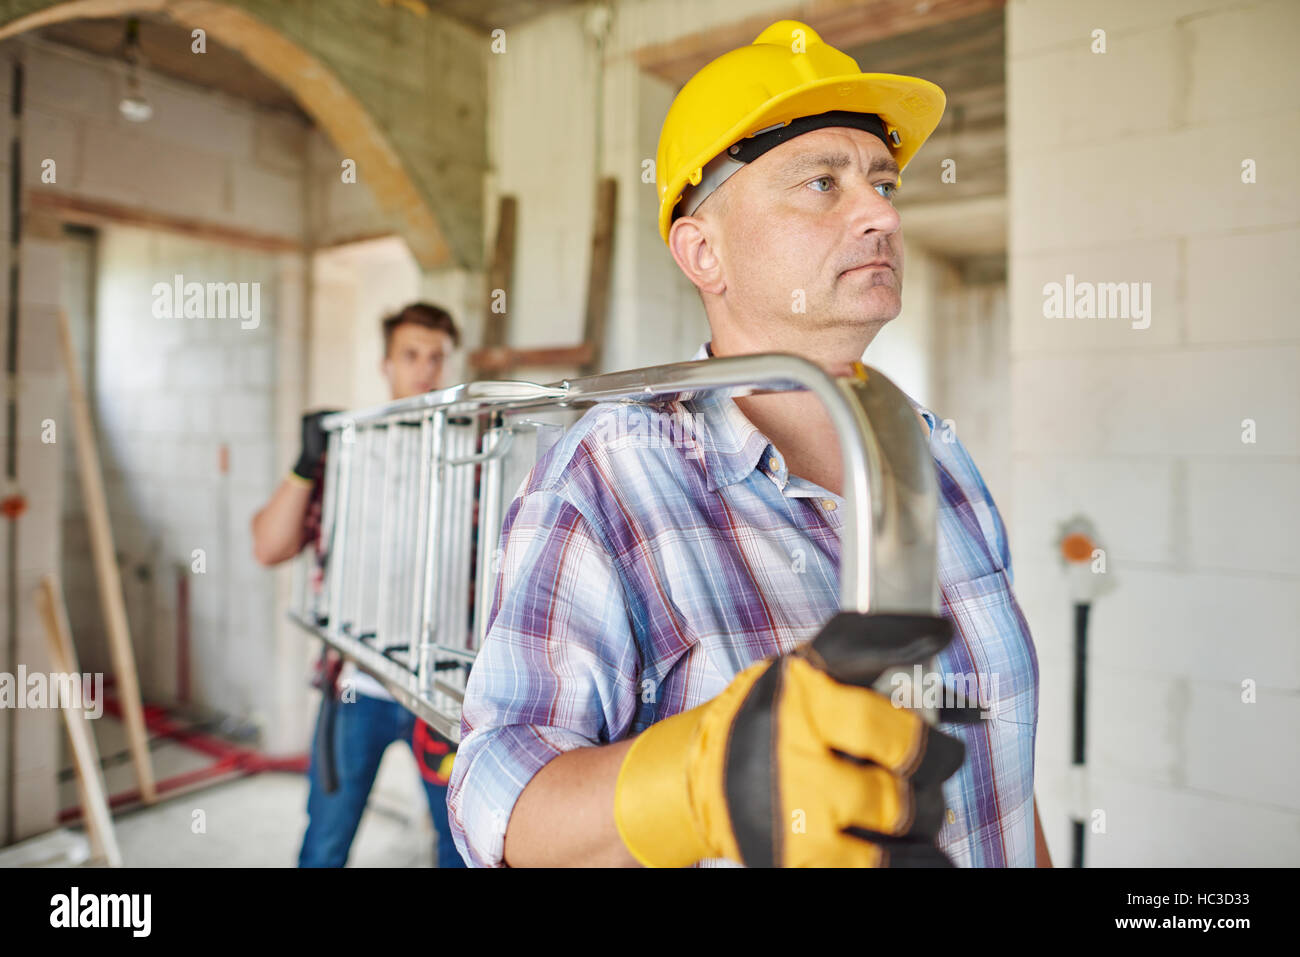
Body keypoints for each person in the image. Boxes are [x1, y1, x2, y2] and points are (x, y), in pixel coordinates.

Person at [449, 20, 1051, 868]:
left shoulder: (937, 461)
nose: (880, 211)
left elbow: (1002, 783)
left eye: (884, 182)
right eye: (820, 182)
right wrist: (699, 779)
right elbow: (493, 803)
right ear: (704, 251)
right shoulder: (610, 476)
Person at [252, 301, 468, 869]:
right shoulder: (348, 451)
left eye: (436, 358)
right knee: (325, 844)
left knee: (464, 845)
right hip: (356, 685)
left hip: (444, 689)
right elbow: (268, 546)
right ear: (386, 363)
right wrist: (306, 462)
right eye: (411, 355)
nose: (424, 370)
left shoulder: (469, 450)